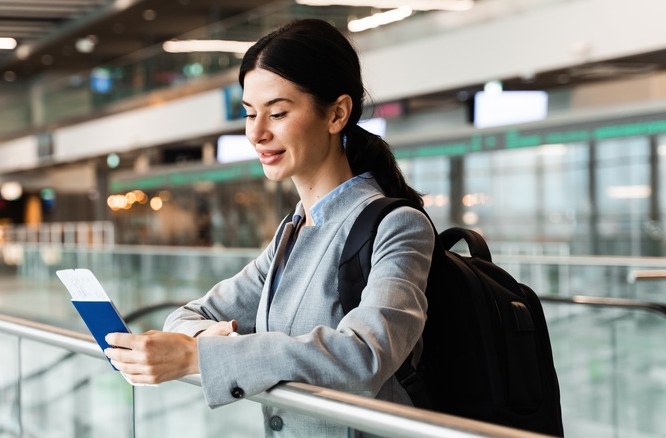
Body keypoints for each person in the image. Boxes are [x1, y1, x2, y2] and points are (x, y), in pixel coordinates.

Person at [104, 18, 435, 436]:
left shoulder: (398, 226)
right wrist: (205, 340)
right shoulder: (291, 234)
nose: (257, 133)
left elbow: (363, 355)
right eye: (248, 114)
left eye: (277, 113)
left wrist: (197, 356)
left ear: (336, 114)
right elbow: (187, 317)